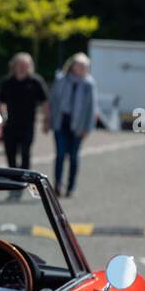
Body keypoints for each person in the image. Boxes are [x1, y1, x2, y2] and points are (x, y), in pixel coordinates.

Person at [49, 53, 98, 197]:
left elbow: (92, 107)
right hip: (62, 122)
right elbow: (54, 100)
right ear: (72, 65)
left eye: (85, 66)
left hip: (79, 124)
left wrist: (88, 128)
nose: (82, 68)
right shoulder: (61, 79)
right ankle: (57, 184)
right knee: (59, 154)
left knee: (74, 156)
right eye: (80, 65)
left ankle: (71, 186)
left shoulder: (89, 83)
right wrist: (49, 120)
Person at [0, 52, 48, 170]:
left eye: (26, 65)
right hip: (10, 124)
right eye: (21, 65)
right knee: (10, 153)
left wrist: (46, 120)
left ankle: (24, 178)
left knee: (25, 152)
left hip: (27, 125)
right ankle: (13, 179)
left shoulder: (36, 82)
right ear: (14, 65)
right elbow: (0, 102)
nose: (23, 68)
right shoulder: (7, 82)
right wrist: (4, 117)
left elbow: (45, 102)